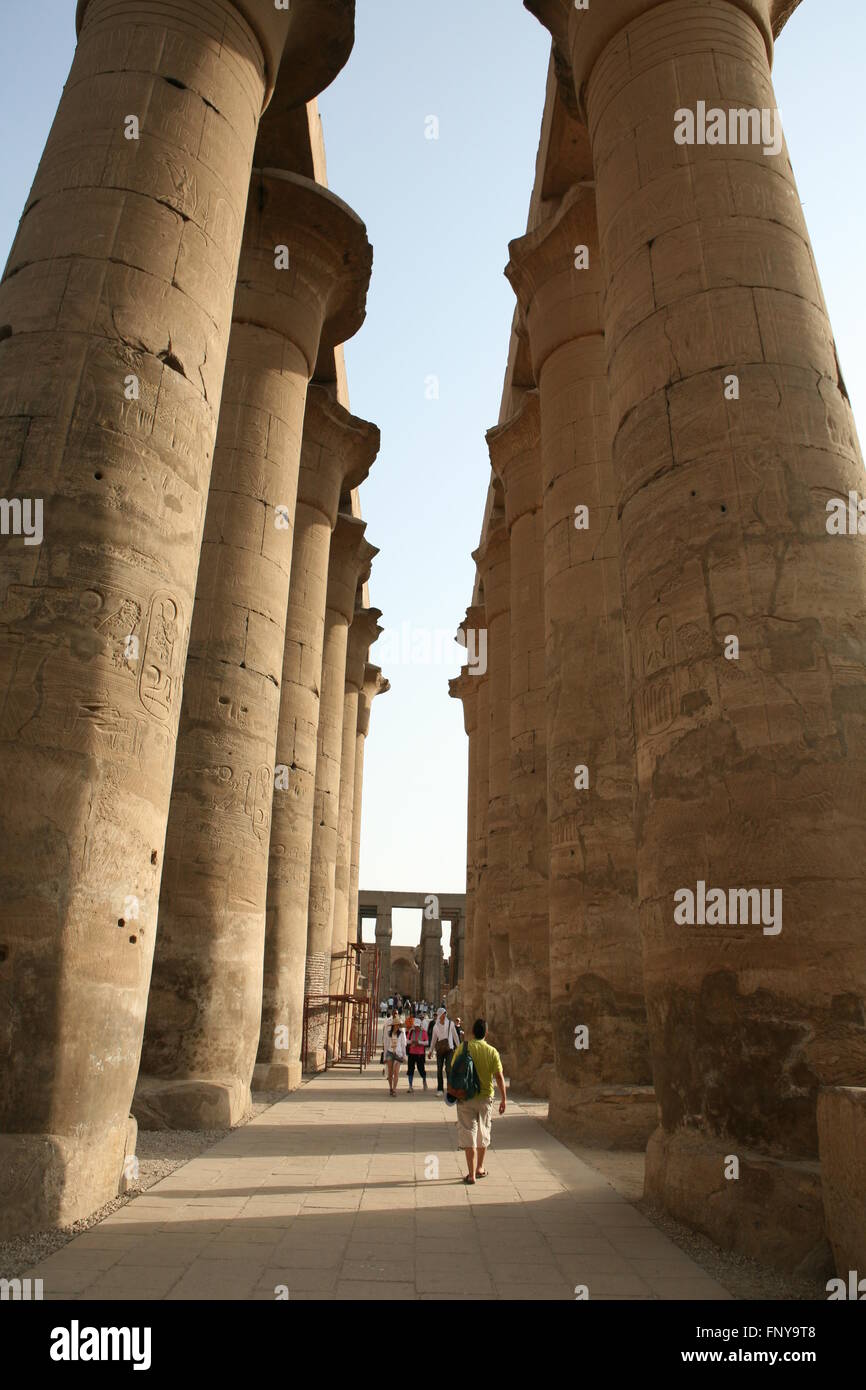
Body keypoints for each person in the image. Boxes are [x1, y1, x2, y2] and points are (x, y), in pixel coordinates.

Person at [454, 1018, 506, 1184]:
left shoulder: (463, 1048)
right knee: (483, 1132)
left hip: (465, 1096)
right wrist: (504, 1098)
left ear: (473, 1032)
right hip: (485, 1097)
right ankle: (480, 1167)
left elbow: (453, 1069)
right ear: (486, 1033)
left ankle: (471, 1174)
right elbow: (499, 1076)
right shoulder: (491, 1051)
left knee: (468, 1132)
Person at [428, 1007, 460, 1094]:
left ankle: (450, 1088)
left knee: (449, 1069)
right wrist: (430, 1051)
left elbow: (455, 1036)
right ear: (440, 1015)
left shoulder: (450, 1024)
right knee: (439, 1069)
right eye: (442, 1014)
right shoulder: (435, 1026)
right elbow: (434, 1039)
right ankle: (440, 1089)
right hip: (440, 1050)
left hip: (449, 1049)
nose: (444, 1015)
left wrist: (459, 1047)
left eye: (445, 1013)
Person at [383, 1011, 406, 1096]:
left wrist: (404, 1055)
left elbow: (403, 1044)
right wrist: (384, 1056)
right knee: (390, 1073)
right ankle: (390, 1088)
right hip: (390, 1053)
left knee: (396, 1072)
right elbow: (386, 1044)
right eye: (395, 1025)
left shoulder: (401, 1034)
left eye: (398, 1025)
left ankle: (395, 1089)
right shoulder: (389, 1034)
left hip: (398, 1054)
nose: (397, 1026)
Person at [405, 1015, 429, 1092]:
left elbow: (427, 1042)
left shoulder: (424, 1032)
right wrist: (411, 1041)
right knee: (410, 1069)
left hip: (420, 1054)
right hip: (412, 1053)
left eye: (417, 1026)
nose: (416, 1028)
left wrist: (419, 1042)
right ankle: (410, 1086)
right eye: (415, 1026)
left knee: (421, 1069)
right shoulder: (411, 1032)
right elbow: (406, 1041)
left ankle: (424, 1080)